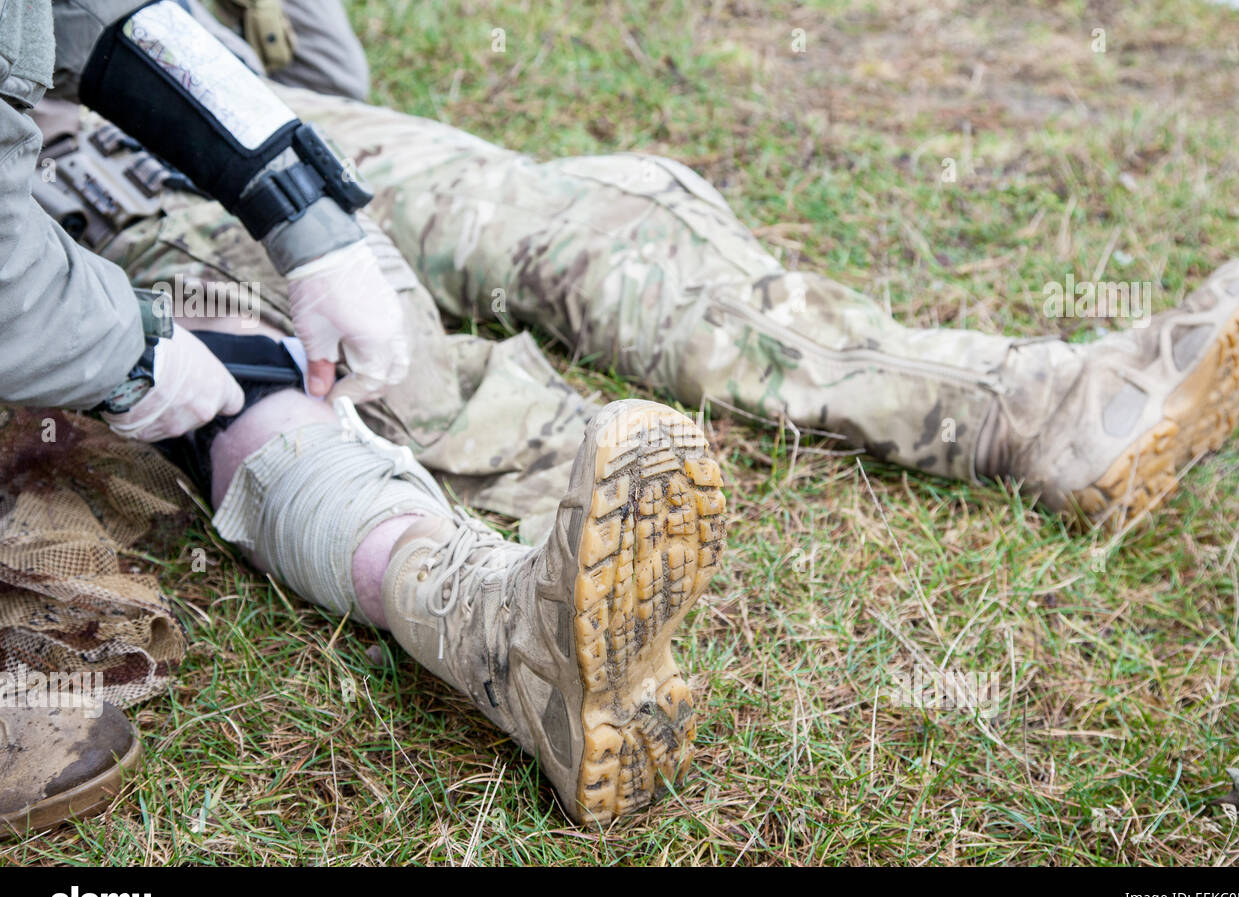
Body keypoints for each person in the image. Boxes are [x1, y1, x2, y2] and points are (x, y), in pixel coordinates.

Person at [3, 0, 723, 831]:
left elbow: (98, 11)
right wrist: (130, 351)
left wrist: (306, 221)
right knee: (253, 384)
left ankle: (503, 633)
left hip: (131, 176)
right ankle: (493, 620)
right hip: (68, 220)